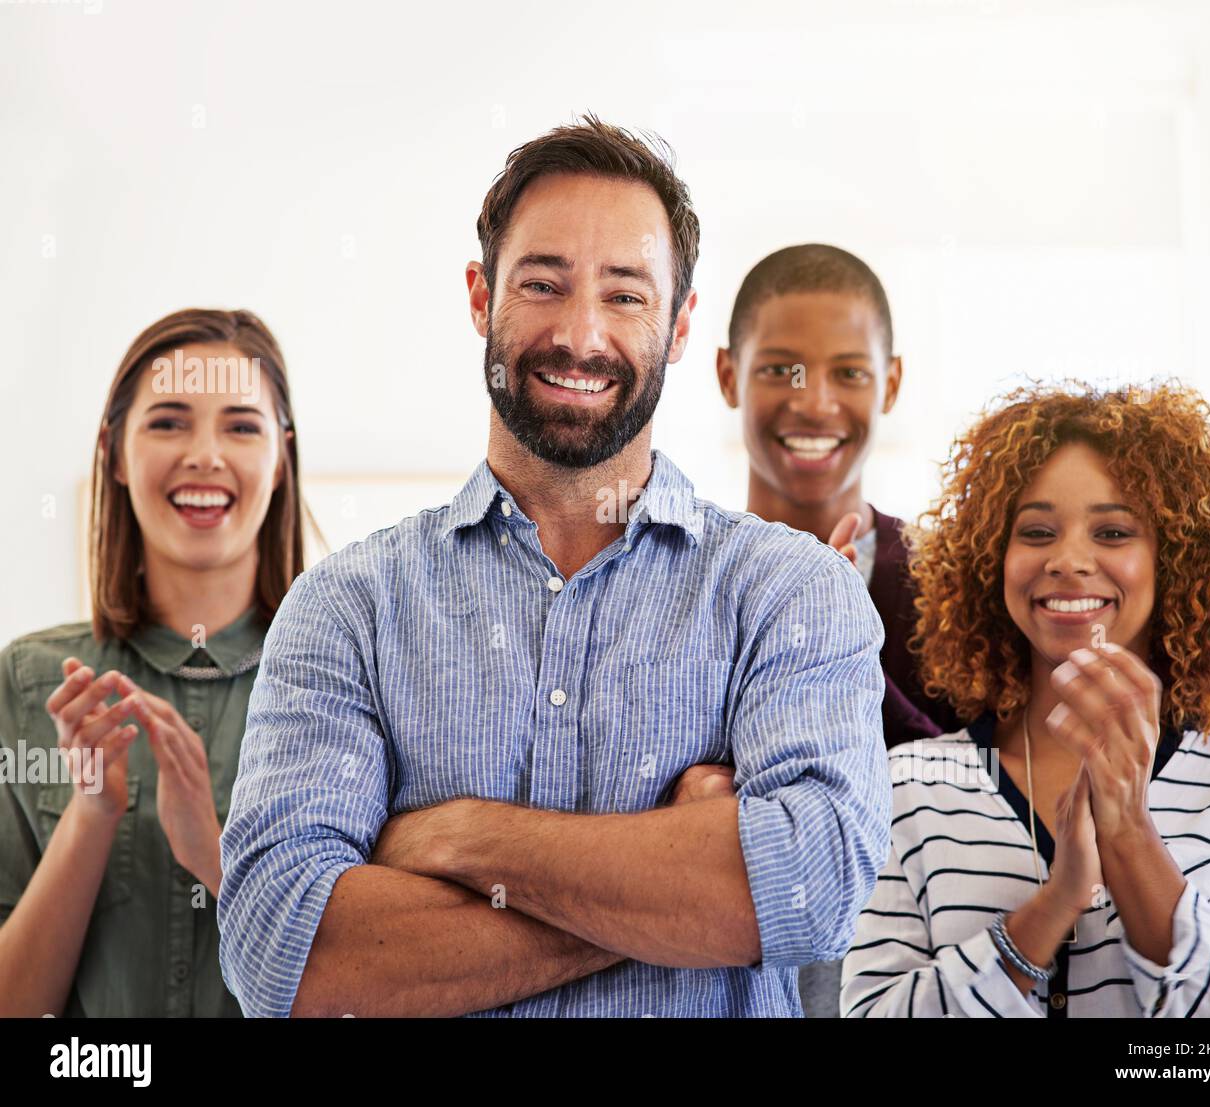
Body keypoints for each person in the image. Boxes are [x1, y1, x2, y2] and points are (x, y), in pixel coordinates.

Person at [217, 114, 892, 1018]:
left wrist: (459, 838)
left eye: (625, 294)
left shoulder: (793, 591)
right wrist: (679, 872)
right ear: (478, 296)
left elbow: (812, 887)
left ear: (682, 323)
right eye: (543, 283)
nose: (581, 335)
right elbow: (281, 951)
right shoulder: (347, 607)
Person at [841, 381, 1210, 1018]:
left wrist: (1129, 834)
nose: (1069, 559)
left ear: (1178, 561)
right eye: (1036, 532)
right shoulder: (907, 786)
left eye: (1113, 532)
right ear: (992, 561)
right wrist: (1054, 905)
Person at [0, 308, 315, 1016]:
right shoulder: (26, 682)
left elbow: (372, 986)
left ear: (280, 457)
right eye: (169, 421)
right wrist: (92, 811)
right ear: (113, 451)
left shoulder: (349, 683)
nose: (204, 453)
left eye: (241, 425)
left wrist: (217, 859)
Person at [716, 244, 959, 1017]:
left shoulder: (952, 587)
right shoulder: (674, 579)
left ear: (890, 382)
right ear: (727, 374)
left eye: (850, 372)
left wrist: (832, 631)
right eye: (781, 369)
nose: (815, 402)